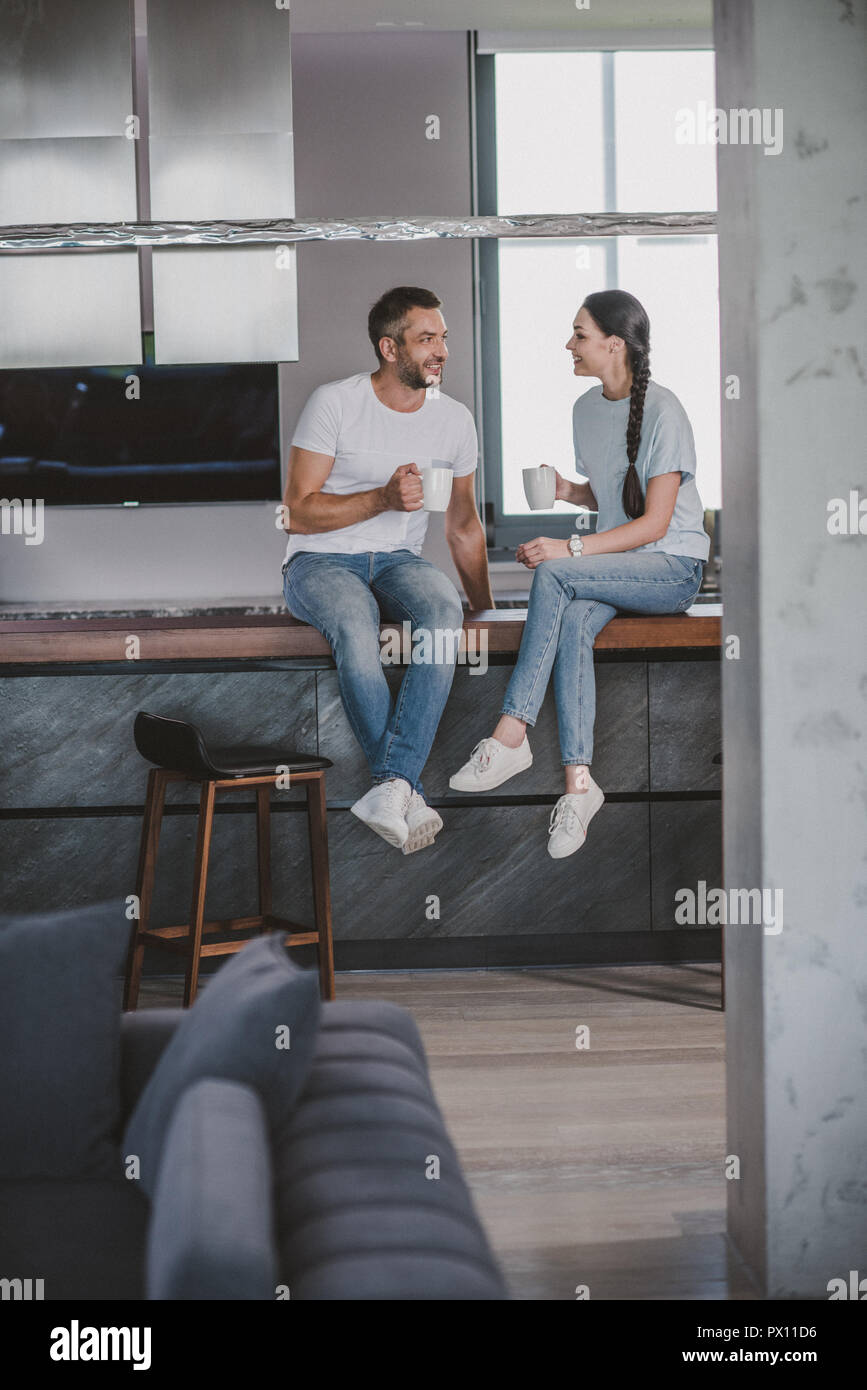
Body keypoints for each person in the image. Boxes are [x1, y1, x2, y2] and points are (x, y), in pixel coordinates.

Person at [449, 289, 709, 858]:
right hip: (623, 567)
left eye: (579, 335)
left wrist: (570, 547)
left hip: (672, 567)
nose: (569, 344)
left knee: (556, 575)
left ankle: (512, 732)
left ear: (614, 345)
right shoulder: (585, 410)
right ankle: (579, 786)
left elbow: (654, 522)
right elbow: (615, 496)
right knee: (570, 622)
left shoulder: (666, 410)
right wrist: (568, 491)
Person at [281, 285, 493, 853]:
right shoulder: (335, 403)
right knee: (355, 620)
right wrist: (381, 499)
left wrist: (485, 608)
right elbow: (297, 513)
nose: (441, 350)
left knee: (442, 609)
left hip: (399, 561)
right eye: (427, 339)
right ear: (389, 348)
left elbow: (464, 526)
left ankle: (391, 785)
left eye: (443, 338)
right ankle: (403, 786)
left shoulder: (454, 420)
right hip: (320, 560)